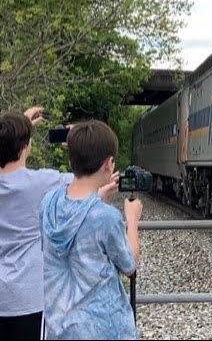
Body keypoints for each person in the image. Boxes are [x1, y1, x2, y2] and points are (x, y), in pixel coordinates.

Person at [0, 107, 116, 340]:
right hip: (31, 296)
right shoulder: (42, 183)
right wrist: (81, 144)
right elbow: (86, 185)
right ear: (26, 145)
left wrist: (17, 127)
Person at [41, 120, 143, 340]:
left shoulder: (48, 203)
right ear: (108, 164)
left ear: (71, 159)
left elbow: (77, 213)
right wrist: (132, 221)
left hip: (60, 328)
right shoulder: (106, 217)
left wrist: (97, 198)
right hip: (104, 330)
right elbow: (129, 265)